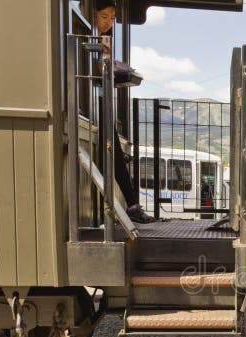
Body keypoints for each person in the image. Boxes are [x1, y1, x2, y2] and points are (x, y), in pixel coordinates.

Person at [85, 0, 156, 223]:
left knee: (114, 157)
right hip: (94, 107)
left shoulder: (100, 40)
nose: (108, 22)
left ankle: (131, 206)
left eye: (112, 18)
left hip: (101, 105)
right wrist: (108, 63)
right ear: (92, 15)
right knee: (114, 157)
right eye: (104, 17)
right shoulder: (90, 39)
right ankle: (132, 206)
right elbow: (97, 69)